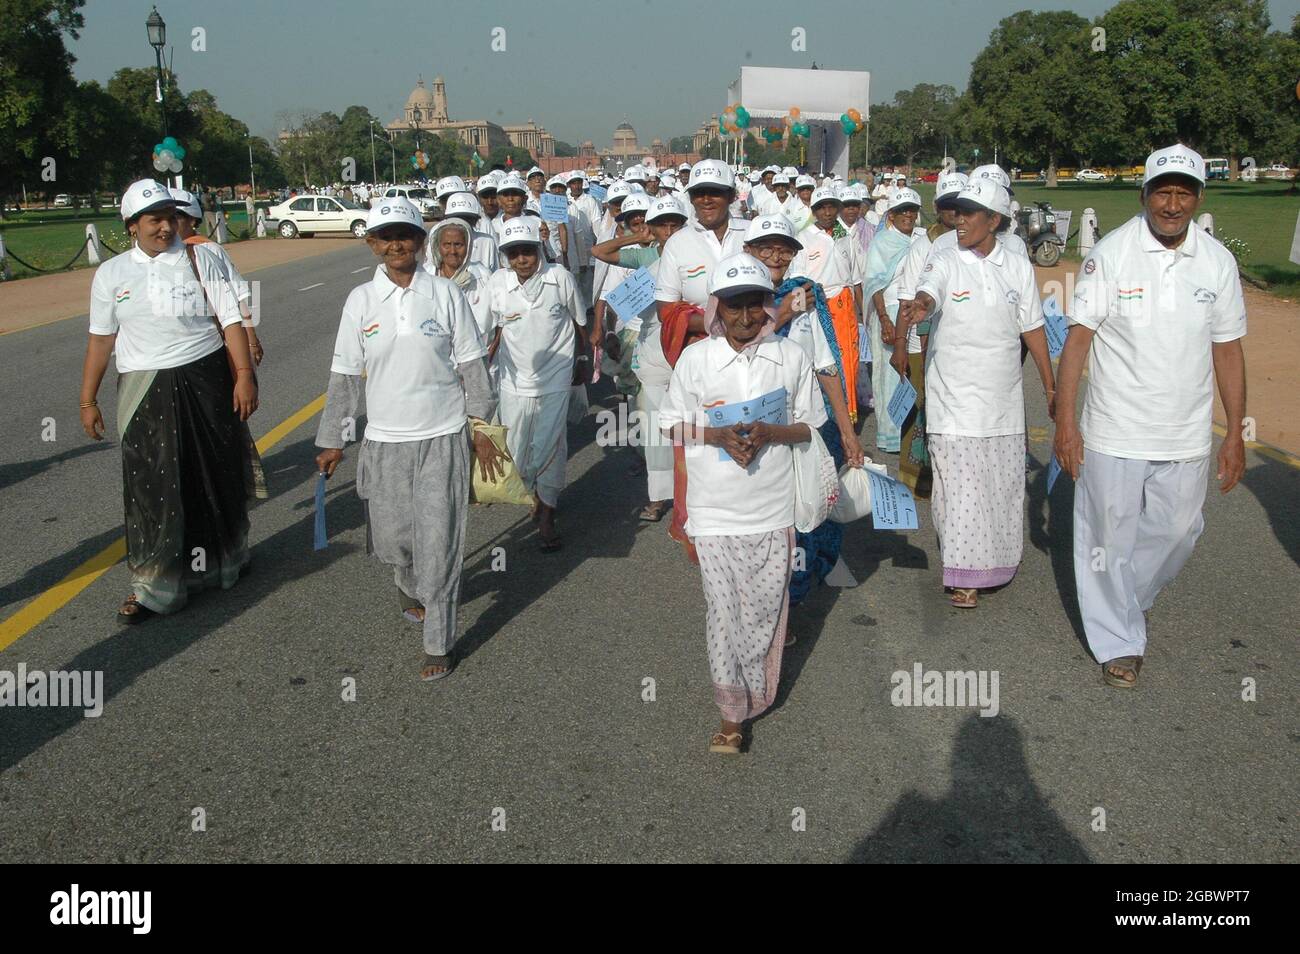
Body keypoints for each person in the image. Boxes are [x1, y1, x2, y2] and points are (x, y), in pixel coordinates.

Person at [1053, 143, 1246, 688]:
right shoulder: (1112, 253)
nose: (1172, 204)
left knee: (1180, 531)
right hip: (1115, 427)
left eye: (1184, 193)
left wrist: (1234, 433)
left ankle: (1123, 602)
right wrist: (1067, 422)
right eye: (1163, 191)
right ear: (1144, 195)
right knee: (1107, 537)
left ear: (1199, 198)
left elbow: (1228, 349)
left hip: (1186, 431)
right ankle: (1119, 639)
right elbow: (1078, 340)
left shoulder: (1217, 261)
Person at [314, 197, 499, 681]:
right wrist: (332, 438)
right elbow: (345, 374)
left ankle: (438, 640)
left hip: (443, 436)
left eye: (407, 235)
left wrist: (481, 428)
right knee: (395, 542)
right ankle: (407, 581)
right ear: (373, 243)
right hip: (384, 442)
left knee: (439, 543)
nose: (397, 244)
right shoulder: (360, 301)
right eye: (386, 236)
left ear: (422, 241)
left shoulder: (444, 294)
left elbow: (472, 366)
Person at [658, 254, 826, 755]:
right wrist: (715, 434)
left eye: (756, 305)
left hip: (772, 509)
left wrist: (772, 431)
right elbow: (670, 423)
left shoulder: (790, 357)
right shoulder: (696, 360)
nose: (746, 317)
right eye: (735, 307)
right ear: (717, 310)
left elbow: (809, 424)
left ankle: (757, 687)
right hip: (713, 512)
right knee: (723, 611)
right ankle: (732, 712)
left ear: (769, 308)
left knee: (763, 611)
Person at [79, 179, 262, 623]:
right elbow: (102, 340)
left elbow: (232, 319)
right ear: (132, 226)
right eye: (154, 220)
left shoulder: (198, 259)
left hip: (206, 377)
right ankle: (155, 587)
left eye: (169, 218)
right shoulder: (112, 274)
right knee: (153, 486)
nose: (164, 228)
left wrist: (243, 376)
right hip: (144, 387)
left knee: (211, 472)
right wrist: (88, 399)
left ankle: (222, 563)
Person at [898, 179, 1055, 609]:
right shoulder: (945, 257)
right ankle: (963, 574)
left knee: (999, 485)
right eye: (957, 211)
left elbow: (1033, 327)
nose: (959, 219)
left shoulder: (1017, 265)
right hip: (952, 395)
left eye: (970, 213)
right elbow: (929, 291)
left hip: (1001, 399)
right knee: (959, 485)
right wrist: (921, 306)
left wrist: (1050, 383)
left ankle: (995, 563)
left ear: (995, 220)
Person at [745, 214, 866, 607]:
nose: (775, 257)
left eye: (784, 249)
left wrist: (847, 431)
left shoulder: (805, 293)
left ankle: (796, 593)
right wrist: (784, 313)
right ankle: (767, 598)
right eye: (765, 248)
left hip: (808, 424)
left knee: (814, 510)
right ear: (748, 251)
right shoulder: (736, 298)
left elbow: (826, 365)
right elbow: (738, 346)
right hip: (758, 429)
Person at [653, 160, 750, 559]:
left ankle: (749, 525)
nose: (706, 199)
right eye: (698, 193)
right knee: (701, 444)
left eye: (714, 192)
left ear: (730, 196)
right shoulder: (679, 242)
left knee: (750, 437)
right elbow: (665, 309)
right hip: (698, 362)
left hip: (753, 355)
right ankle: (703, 528)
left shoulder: (753, 233)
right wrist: (711, 319)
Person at [487, 217, 587, 551]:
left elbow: (579, 322)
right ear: (505, 256)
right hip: (513, 382)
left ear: (539, 249)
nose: (521, 260)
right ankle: (534, 493)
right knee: (516, 448)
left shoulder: (559, 278)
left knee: (551, 444)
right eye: (513, 253)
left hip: (555, 377)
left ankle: (547, 511)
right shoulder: (498, 284)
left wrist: (582, 362)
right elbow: (490, 332)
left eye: (527, 251)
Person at [890, 172, 968, 496]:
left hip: (957, 344)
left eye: (960, 205)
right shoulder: (924, 246)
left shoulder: (973, 245)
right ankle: (915, 478)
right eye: (948, 205)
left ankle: (950, 474)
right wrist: (898, 347)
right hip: (917, 344)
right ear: (937, 206)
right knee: (917, 408)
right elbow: (906, 300)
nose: (953, 212)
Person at [789, 186, 864, 423]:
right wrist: (799, 316)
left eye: (833, 206)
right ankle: (826, 419)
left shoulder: (845, 237)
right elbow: (798, 281)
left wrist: (861, 312)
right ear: (814, 211)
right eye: (822, 207)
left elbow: (855, 277)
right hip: (817, 306)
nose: (828, 212)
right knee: (822, 363)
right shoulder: (804, 238)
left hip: (845, 305)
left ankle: (849, 417)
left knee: (849, 362)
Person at [170, 188, 263, 365]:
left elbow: (239, 296)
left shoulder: (208, 250)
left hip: (216, 344)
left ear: (192, 220)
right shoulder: (159, 258)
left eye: (176, 217)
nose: (169, 225)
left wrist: (251, 339)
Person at [863, 188, 923, 453]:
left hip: (918, 312)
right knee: (890, 373)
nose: (907, 215)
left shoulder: (923, 240)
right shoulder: (883, 241)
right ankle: (891, 432)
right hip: (889, 309)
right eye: (902, 211)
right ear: (892, 215)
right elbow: (874, 282)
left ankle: (915, 430)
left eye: (912, 210)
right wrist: (885, 319)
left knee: (918, 371)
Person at [425, 216, 495, 347]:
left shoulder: (483, 277)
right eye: (447, 245)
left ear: (468, 246)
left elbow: (496, 323)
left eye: (458, 245)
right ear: (437, 246)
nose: (452, 251)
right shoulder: (425, 276)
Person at [440, 192, 499, 271]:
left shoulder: (487, 242)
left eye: (466, 219)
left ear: (475, 220)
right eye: (456, 218)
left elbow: (494, 273)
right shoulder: (438, 240)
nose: (461, 223)